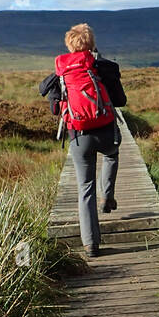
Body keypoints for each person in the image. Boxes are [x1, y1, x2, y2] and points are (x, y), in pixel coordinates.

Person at [38, 24, 128, 257]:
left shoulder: (62, 73)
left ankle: (91, 245)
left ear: (69, 44)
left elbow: (55, 109)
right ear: (92, 43)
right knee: (111, 155)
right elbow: (120, 100)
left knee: (84, 189)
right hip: (106, 130)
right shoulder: (104, 67)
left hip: (79, 136)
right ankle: (107, 196)